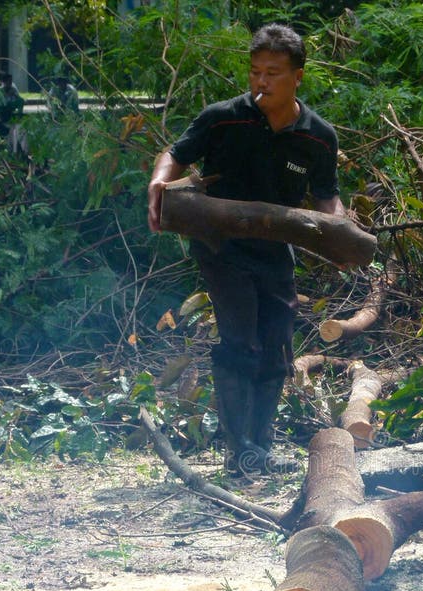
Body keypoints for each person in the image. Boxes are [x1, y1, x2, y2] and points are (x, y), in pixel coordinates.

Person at [147, 23, 347, 476]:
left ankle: (261, 445)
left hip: (276, 250)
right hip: (220, 247)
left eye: (273, 73)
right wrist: (159, 183)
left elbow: (326, 196)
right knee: (241, 341)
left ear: (299, 75)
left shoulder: (318, 136)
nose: (261, 81)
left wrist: (340, 231)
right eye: (255, 71)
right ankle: (239, 453)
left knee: (277, 344)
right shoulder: (223, 118)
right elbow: (175, 154)